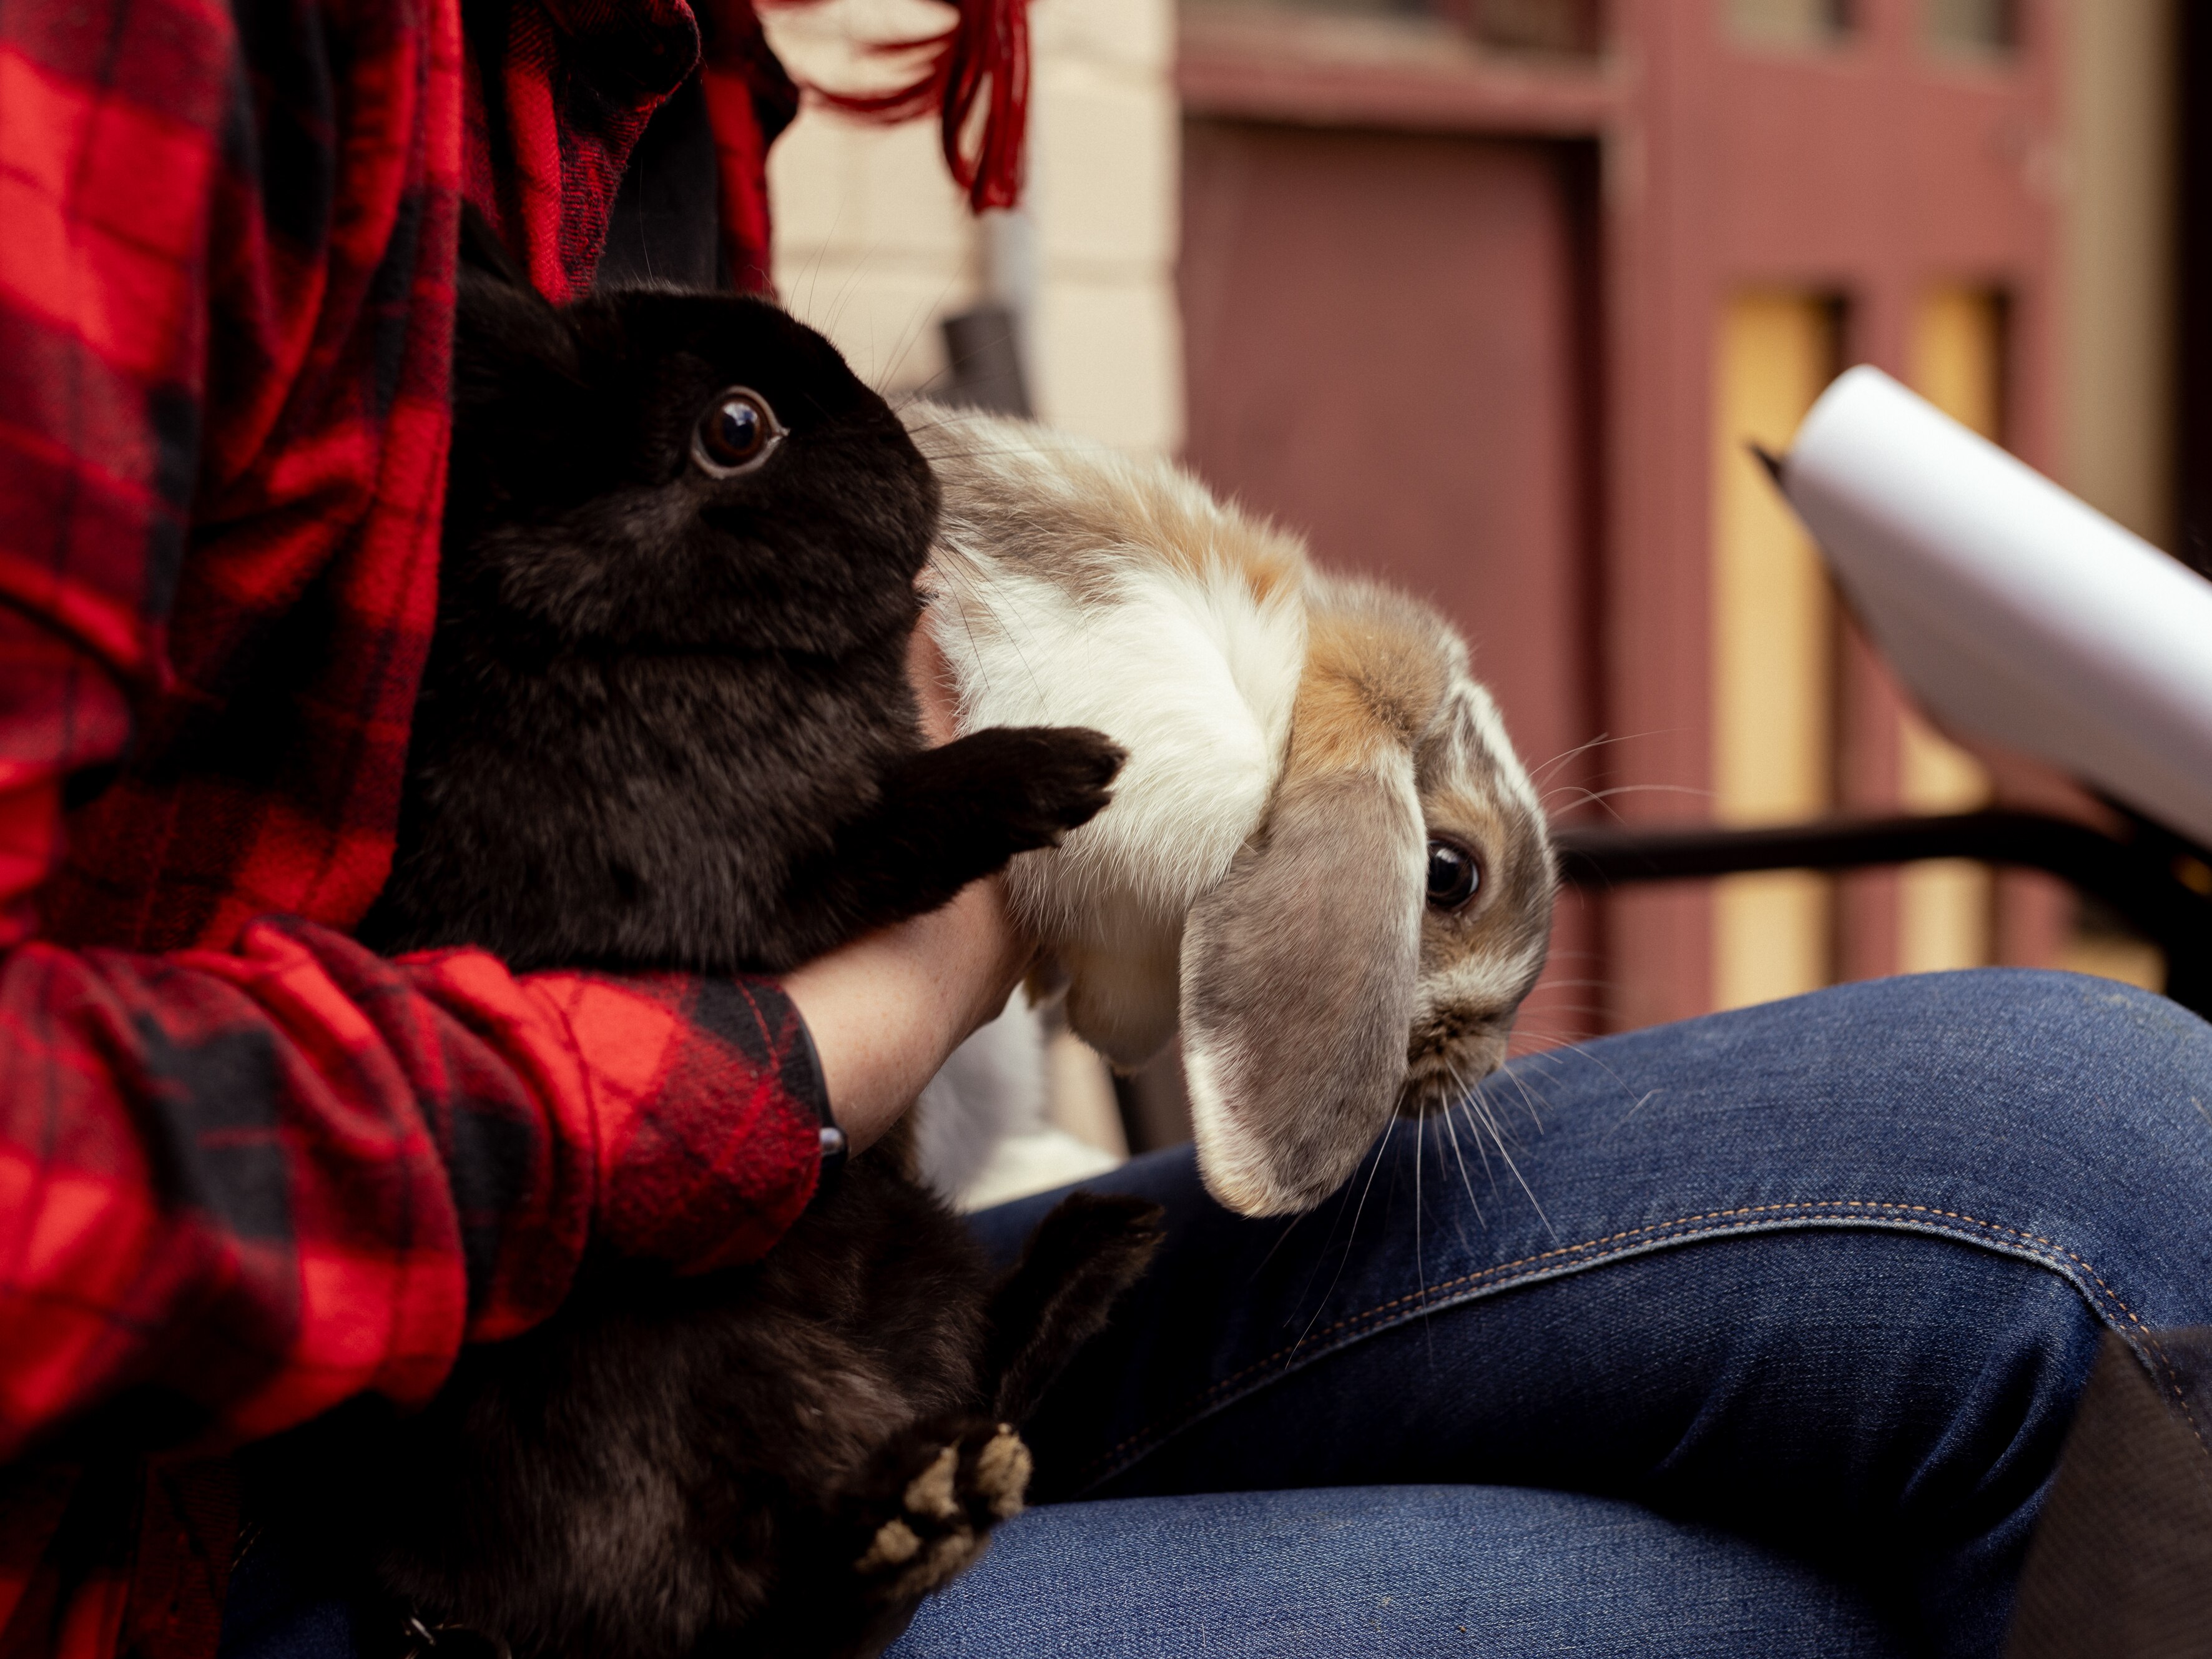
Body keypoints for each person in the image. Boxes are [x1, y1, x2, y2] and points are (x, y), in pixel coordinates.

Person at [4, 4, 2208, 1659]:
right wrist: (788, 1061)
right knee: (1745, 1617)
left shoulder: (661, 66)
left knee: (2127, 1151)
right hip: (320, 1517)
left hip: (760, 1322)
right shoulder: (158, 66)